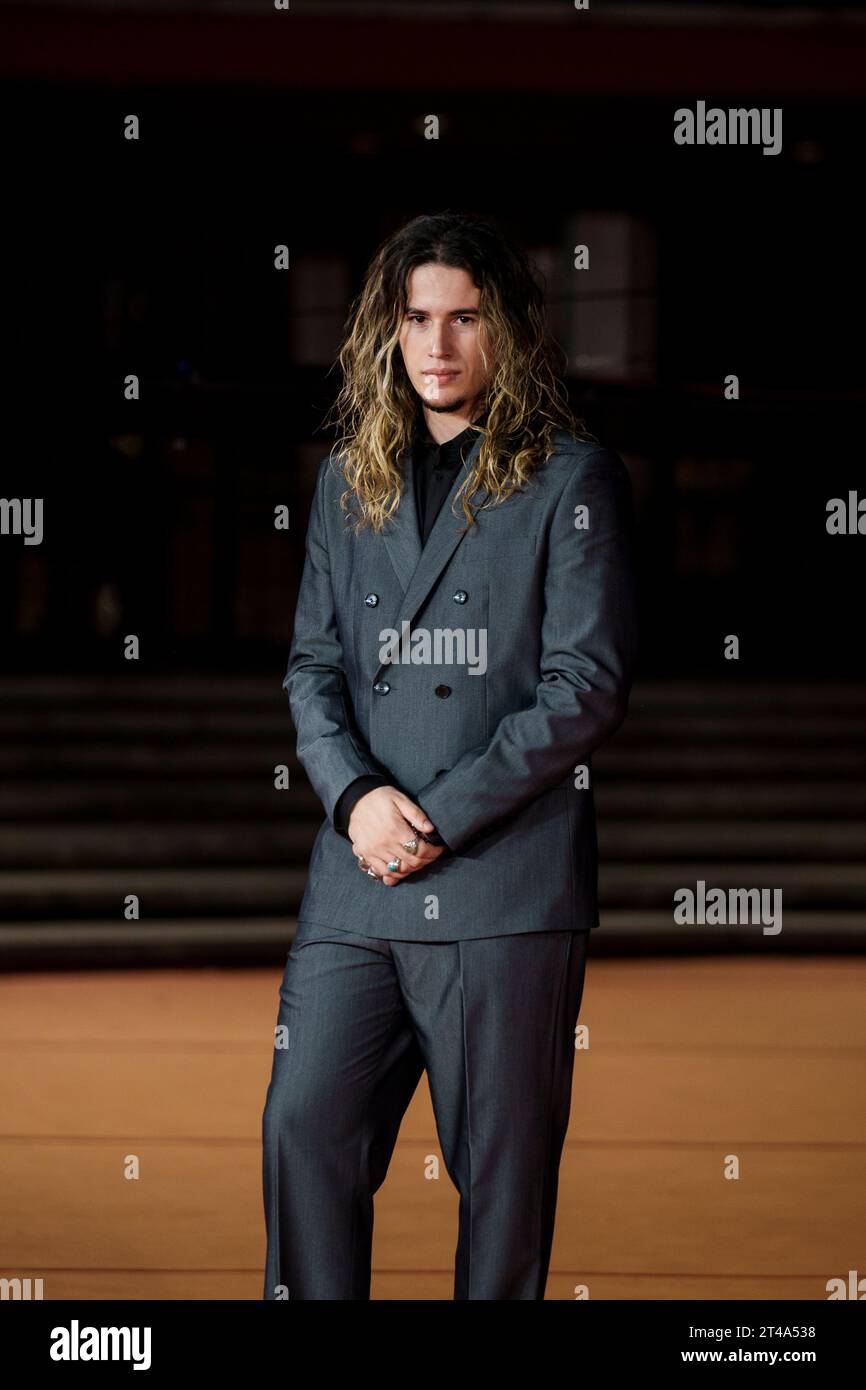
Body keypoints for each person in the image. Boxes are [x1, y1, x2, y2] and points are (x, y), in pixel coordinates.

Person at [262, 210, 638, 1300]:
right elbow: (310, 667)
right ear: (385, 331)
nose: (437, 344)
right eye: (416, 318)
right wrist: (353, 800)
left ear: (504, 330)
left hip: (502, 884)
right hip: (355, 881)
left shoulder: (571, 480)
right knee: (302, 1128)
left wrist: (428, 816)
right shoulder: (348, 478)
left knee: (501, 1188)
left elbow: (585, 688)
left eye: (463, 318)